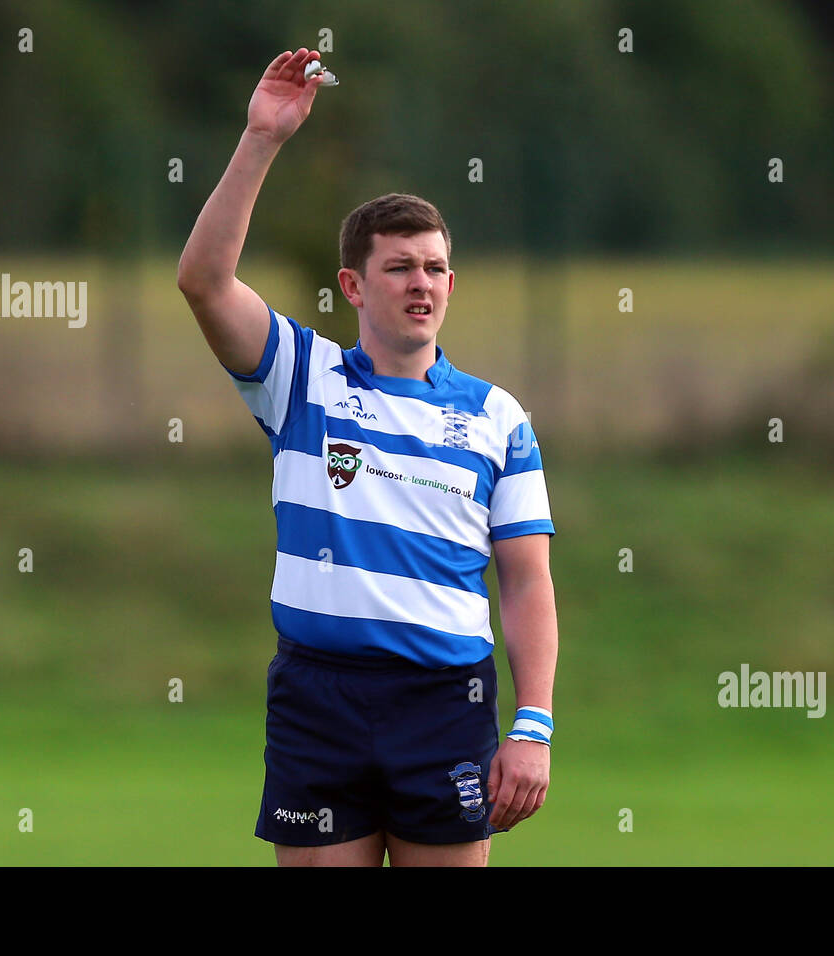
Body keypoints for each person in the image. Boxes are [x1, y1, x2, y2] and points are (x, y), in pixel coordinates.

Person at [177, 48, 558, 867]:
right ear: (353, 286)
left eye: (435, 268)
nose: (421, 283)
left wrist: (533, 726)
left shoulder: (498, 419)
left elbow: (526, 580)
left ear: (453, 284)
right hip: (321, 700)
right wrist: (261, 138)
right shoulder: (300, 378)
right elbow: (205, 282)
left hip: (446, 705)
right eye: (399, 267)